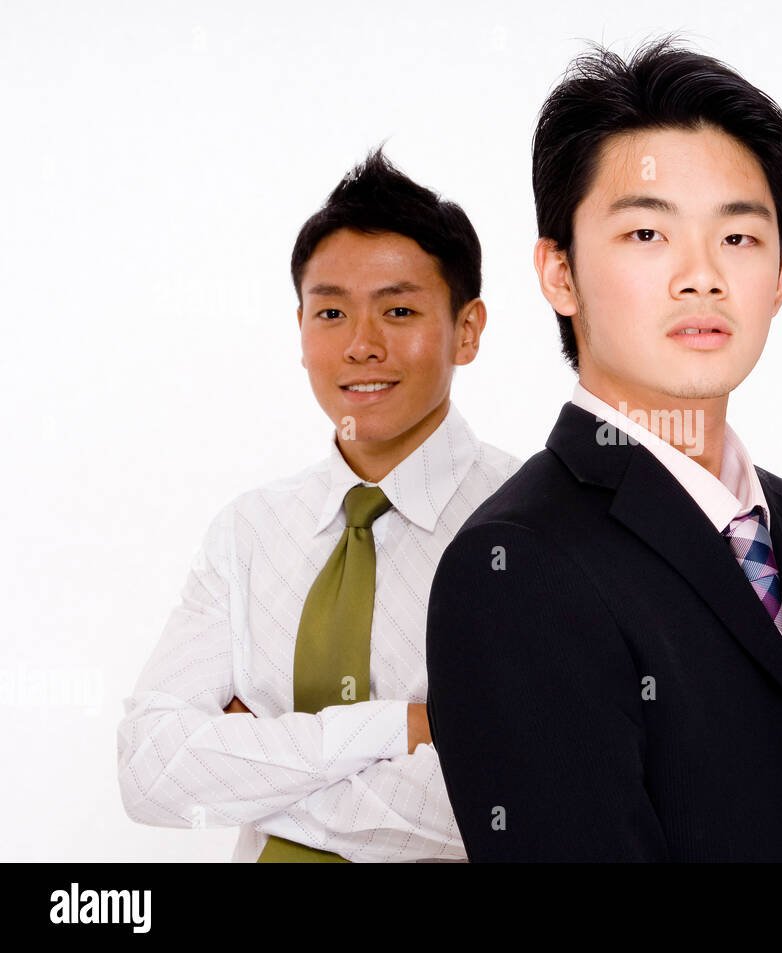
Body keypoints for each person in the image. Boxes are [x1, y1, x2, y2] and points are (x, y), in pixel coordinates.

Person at [424, 38, 782, 862]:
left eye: (738, 238)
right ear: (558, 272)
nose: (702, 276)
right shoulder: (514, 566)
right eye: (648, 235)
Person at [117, 149, 519, 861]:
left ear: (468, 328)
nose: (361, 345)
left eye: (398, 309)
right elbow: (152, 769)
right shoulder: (250, 530)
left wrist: (254, 754)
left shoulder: (530, 523)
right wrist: (395, 727)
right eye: (331, 311)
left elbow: (500, 797)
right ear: (300, 328)